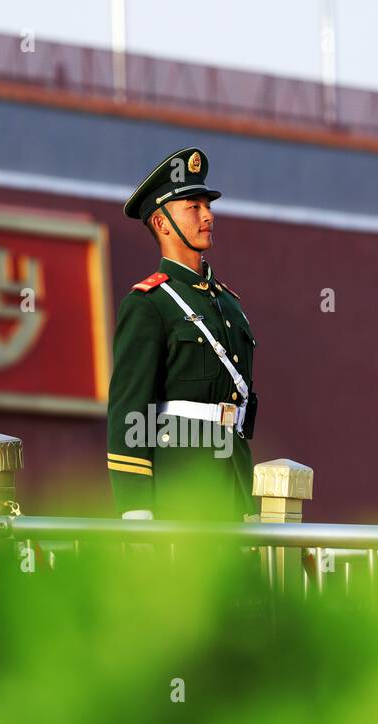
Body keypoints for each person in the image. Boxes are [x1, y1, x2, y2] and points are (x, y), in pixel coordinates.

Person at [107, 146, 259, 521]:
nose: (208, 216)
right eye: (194, 207)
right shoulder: (149, 304)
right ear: (161, 224)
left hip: (233, 483)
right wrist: (136, 510)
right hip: (179, 493)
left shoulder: (228, 303)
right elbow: (128, 412)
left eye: (208, 206)